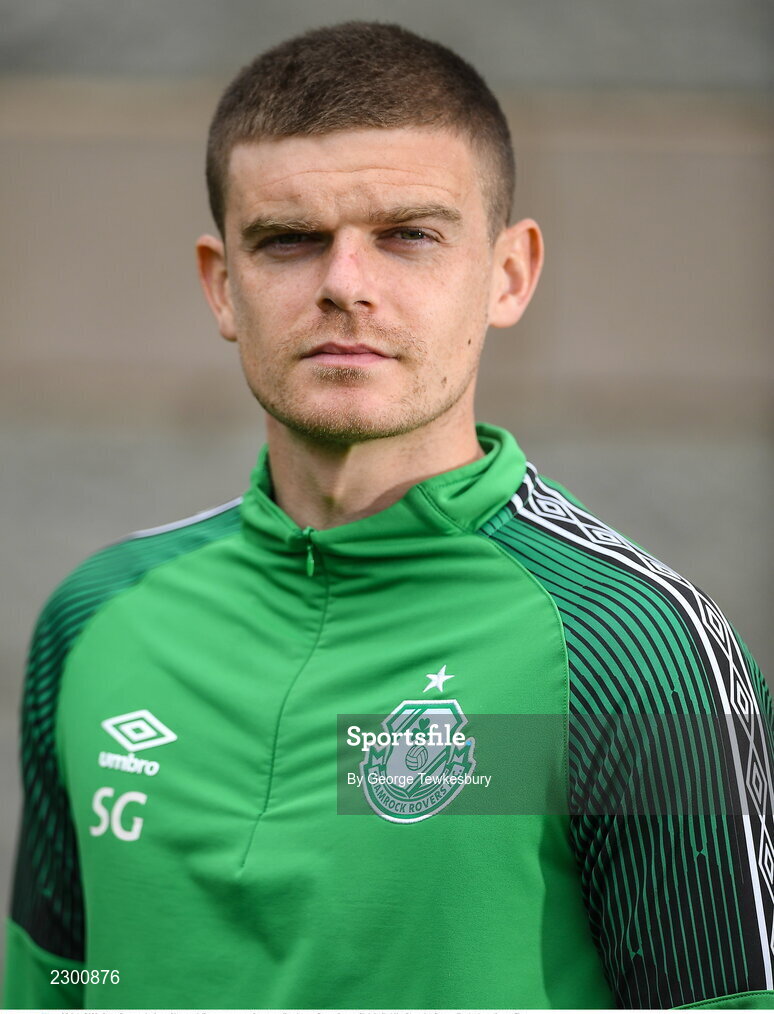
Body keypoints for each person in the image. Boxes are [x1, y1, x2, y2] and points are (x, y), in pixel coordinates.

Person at [4, 21, 773, 1011]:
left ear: (508, 274)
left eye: (409, 235)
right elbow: (55, 988)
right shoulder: (96, 619)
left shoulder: (634, 648)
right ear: (220, 284)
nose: (344, 285)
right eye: (289, 240)